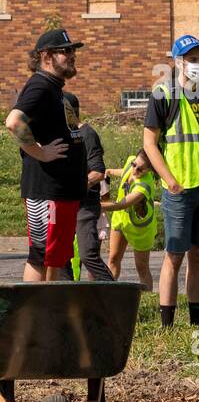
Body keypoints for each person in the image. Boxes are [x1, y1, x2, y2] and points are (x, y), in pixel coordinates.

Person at [143, 35, 199, 327]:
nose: (198, 64)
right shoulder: (162, 95)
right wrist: (169, 180)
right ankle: (167, 325)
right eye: (192, 59)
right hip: (180, 187)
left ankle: (197, 323)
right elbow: (149, 144)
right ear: (178, 62)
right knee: (174, 255)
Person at [5, 29, 86, 281]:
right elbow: (14, 121)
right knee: (40, 256)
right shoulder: (40, 85)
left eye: (73, 50)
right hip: (47, 192)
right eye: (66, 51)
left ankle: (49, 315)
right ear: (46, 56)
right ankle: (33, 317)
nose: (72, 55)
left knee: (57, 259)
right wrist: (40, 152)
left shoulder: (55, 88)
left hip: (62, 192)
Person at [66, 92, 115, 281]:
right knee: (62, 256)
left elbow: (97, 173)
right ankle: (69, 301)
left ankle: (114, 297)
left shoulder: (86, 134)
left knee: (88, 254)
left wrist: (76, 188)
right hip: (66, 204)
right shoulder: (67, 133)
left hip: (85, 205)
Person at [102, 150, 158, 290]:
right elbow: (125, 170)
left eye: (140, 169)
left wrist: (95, 206)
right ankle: (108, 294)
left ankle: (147, 298)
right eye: (134, 165)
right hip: (121, 220)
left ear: (149, 170)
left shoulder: (143, 186)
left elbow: (122, 204)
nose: (135, 169)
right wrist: (109, 171)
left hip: (140, 229)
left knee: (142, 268)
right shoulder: (132, 161)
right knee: (113, 259)